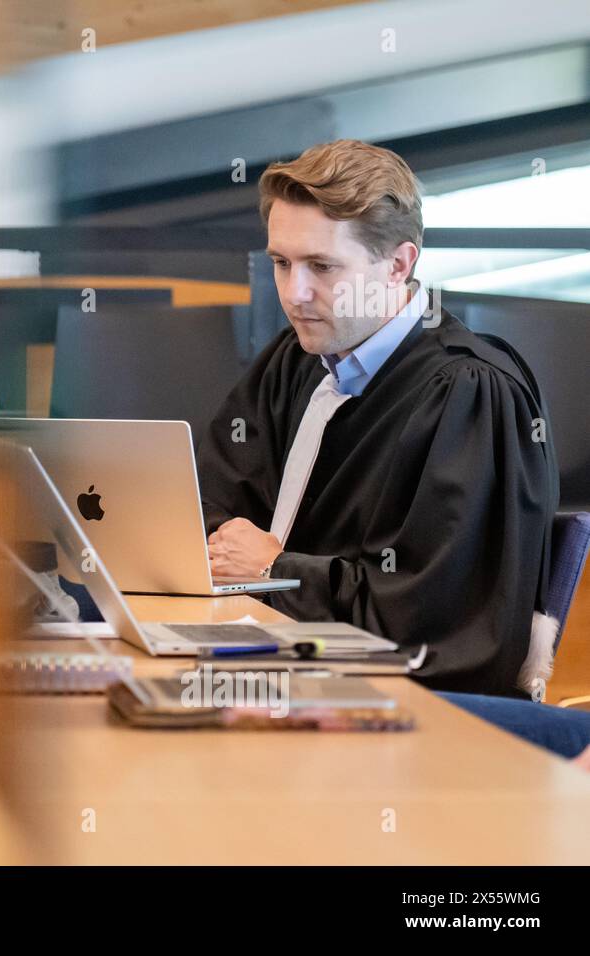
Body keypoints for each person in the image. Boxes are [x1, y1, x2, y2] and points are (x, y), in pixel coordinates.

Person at [196, 140, 558, 697]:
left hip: (406, 712)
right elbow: (214, 500)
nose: (295, 293)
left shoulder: (470, 395)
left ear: (398, 265)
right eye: (281, 263)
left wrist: (275, 569)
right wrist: (225, 549)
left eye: (322, 266)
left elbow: (431, 624)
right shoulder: (294, 359)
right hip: (277, 665)